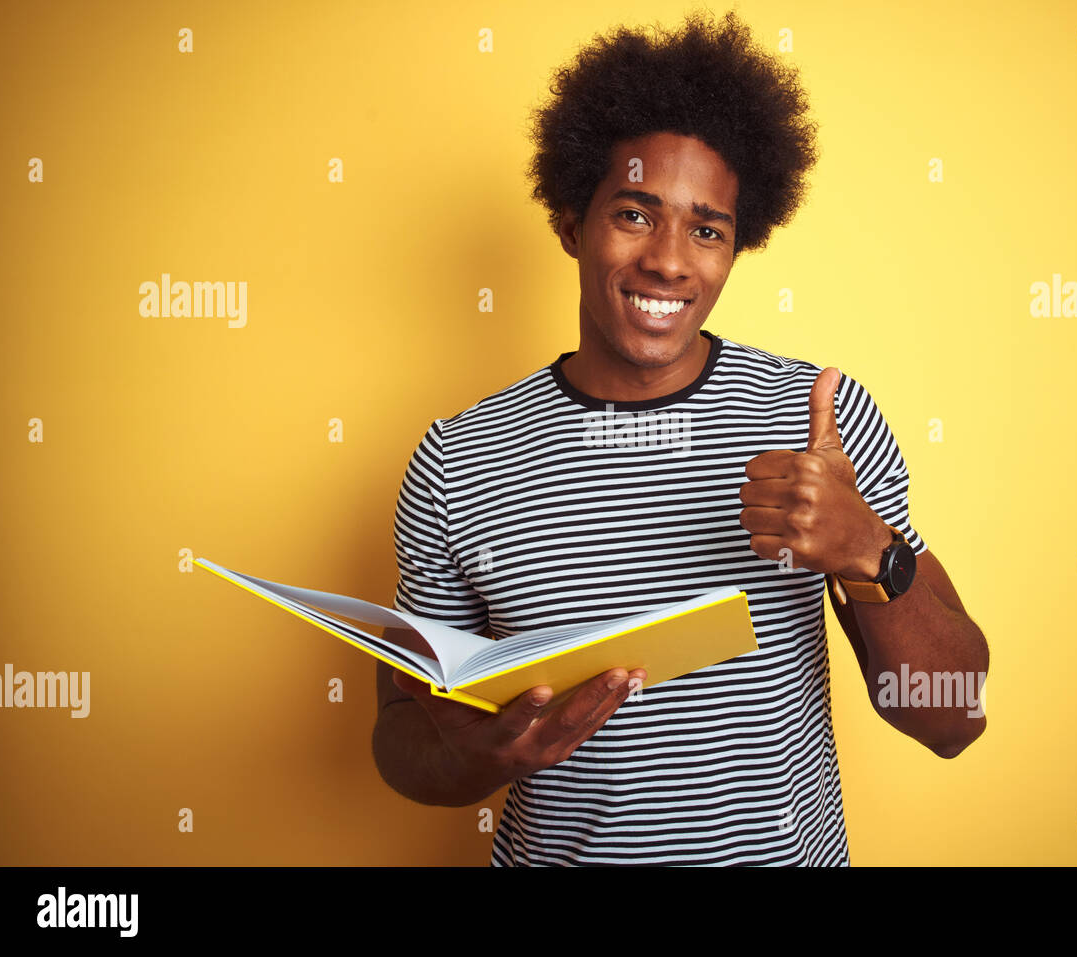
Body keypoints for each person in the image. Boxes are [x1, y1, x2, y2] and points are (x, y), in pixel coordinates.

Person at [372, 10, 989, 866]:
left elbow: (953, 717)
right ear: (569, 222)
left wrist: (870, 552)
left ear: (738, 247)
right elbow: (399, 735)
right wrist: (477, 756)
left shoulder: (818, 422)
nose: (670, 260)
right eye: (634, 213)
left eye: (707, 229)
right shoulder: (458, 458)